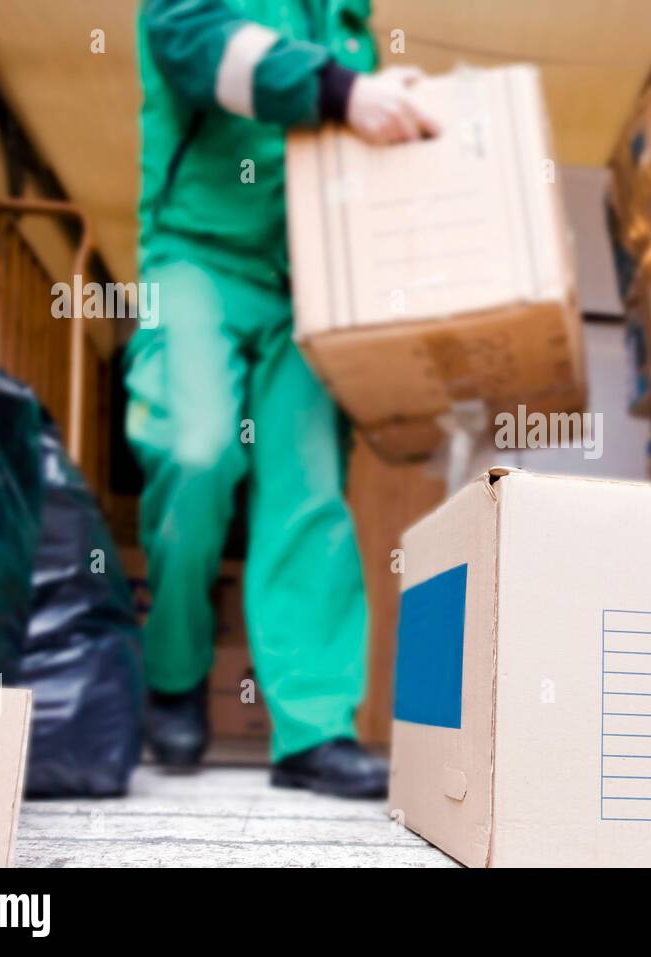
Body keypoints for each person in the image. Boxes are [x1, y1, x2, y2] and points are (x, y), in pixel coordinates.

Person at [126, 0, 437, 797]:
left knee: (310, 495)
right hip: (197, 255)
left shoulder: (345, 18)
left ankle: (314, 727)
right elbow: (194, 41)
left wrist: (380, 98)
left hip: (308, 279)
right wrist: (344, 89)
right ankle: (175, 670)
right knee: (195, 452)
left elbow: (342, 118)